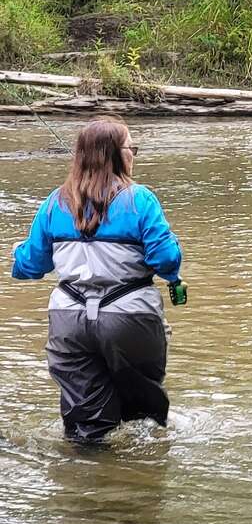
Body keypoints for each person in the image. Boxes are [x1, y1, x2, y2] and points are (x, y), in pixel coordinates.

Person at [11, 117, 183, 444]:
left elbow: (30, 266)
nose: (134, 153)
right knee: (144, 418)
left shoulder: (54, 203)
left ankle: (87, 480)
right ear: (115, 155)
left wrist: (15, 253)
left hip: (69, 321)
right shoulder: (141, 199)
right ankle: (136, 481)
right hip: (131, 317)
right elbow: (166, 260)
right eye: (130, 147)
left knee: (84, 424)